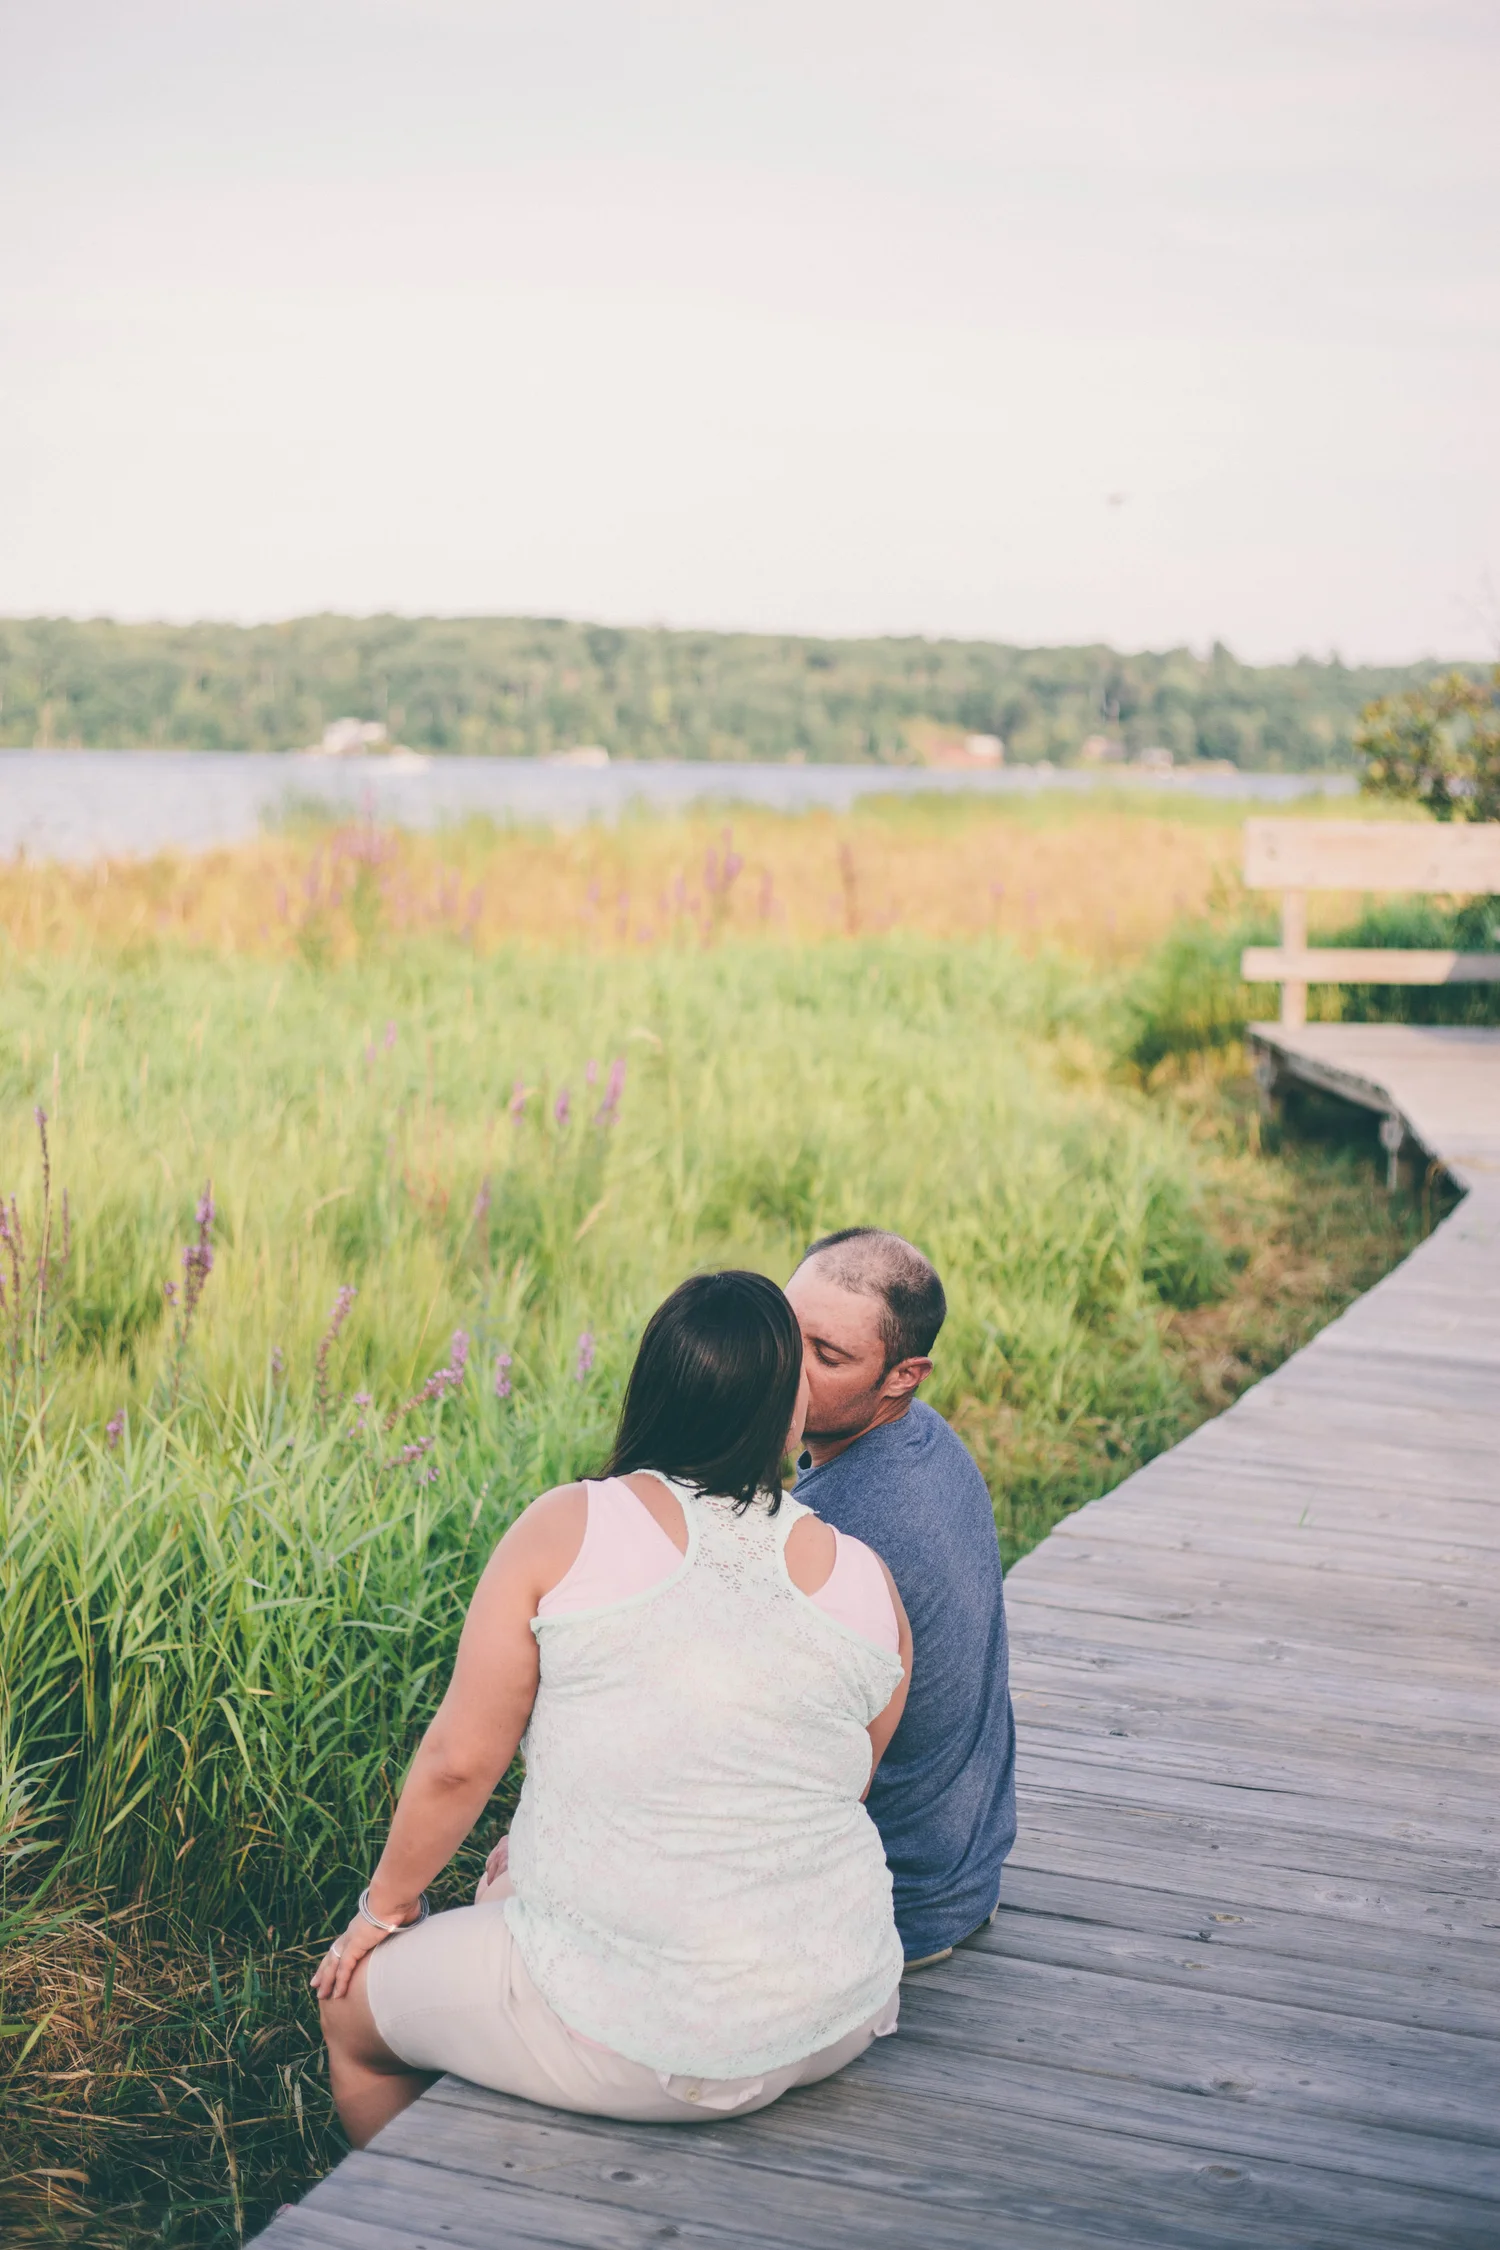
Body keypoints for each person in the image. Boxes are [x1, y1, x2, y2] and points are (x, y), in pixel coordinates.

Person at [313, 1270, 912, 2146]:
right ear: (788, 1412)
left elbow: (459, 1763)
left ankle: (420, 2211)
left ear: (657, 1388)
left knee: (351, 2017)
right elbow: (838, 1782)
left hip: (656, 2045)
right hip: (838, 2005)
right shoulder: (868, 1577)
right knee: (506, 1879)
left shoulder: (568, 1526)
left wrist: (382, 1913)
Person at [785, 1228, 1016, 1969]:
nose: (788, 1370)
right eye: (785, 1334)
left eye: (828, 1357)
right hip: (963, 1870)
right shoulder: (929, 1440)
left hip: (893, 1905)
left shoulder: (841, 1527)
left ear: (901, 1376)